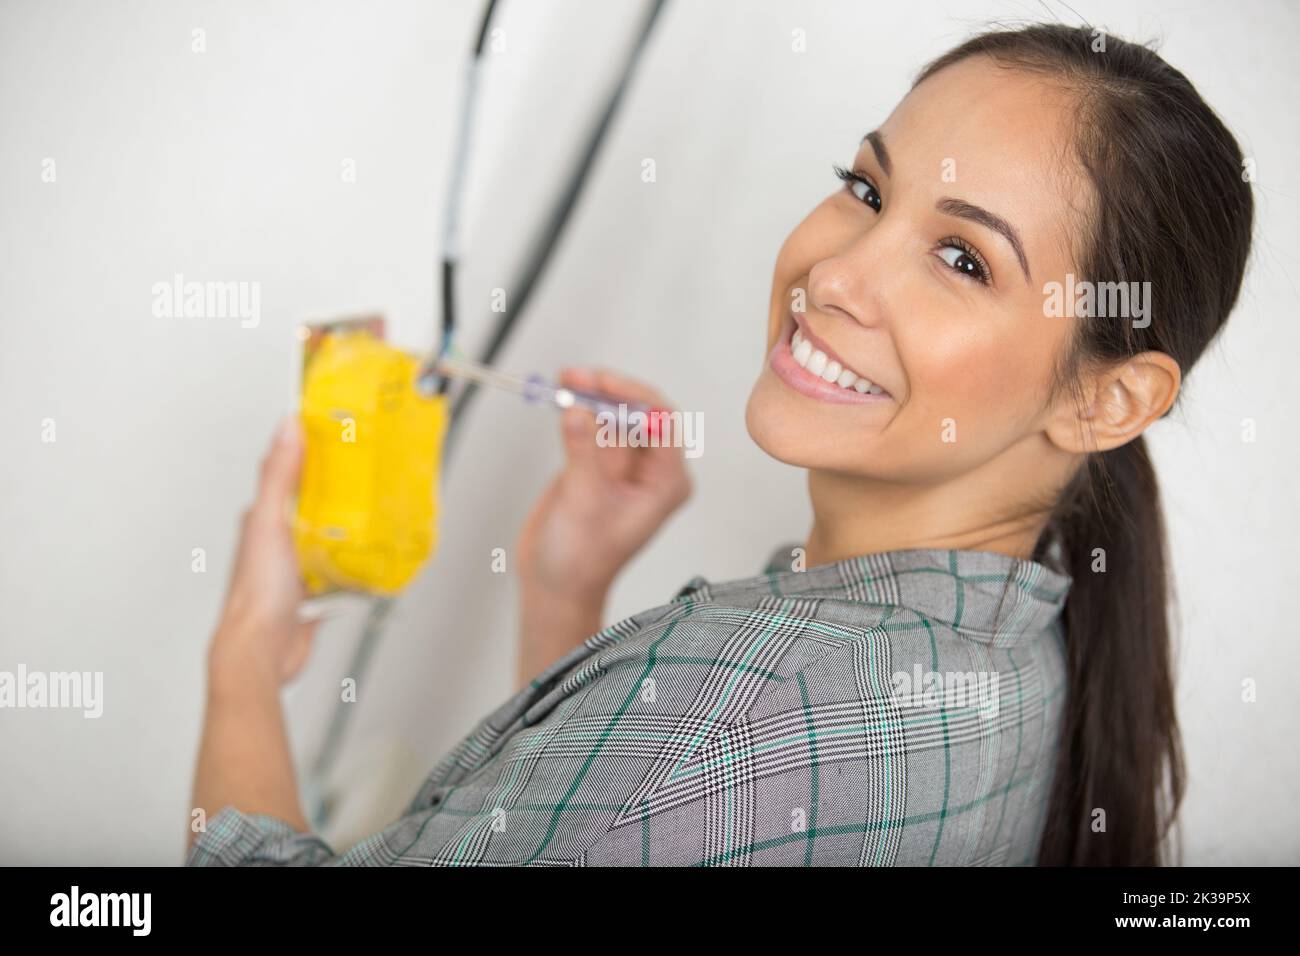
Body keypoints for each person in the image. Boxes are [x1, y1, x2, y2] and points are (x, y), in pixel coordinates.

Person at [187, 23, 1253, 866]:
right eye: (867, 189)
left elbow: (687, 761)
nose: (832, 274)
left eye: (963, 260)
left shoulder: (748, 698)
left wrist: (242, 655)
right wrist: (570, 590)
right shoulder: (1015, 656)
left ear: (1107, 403)